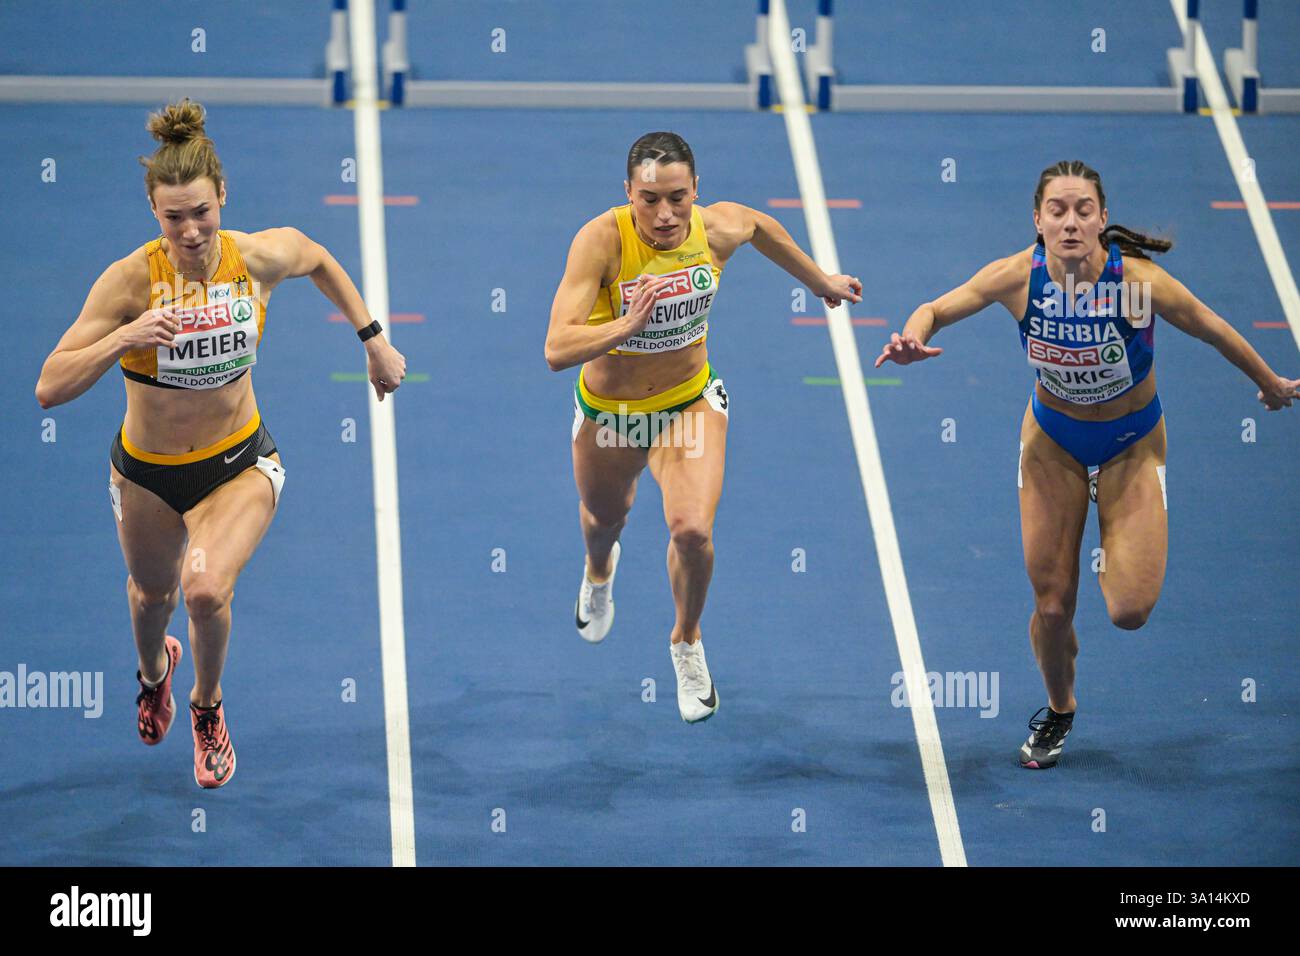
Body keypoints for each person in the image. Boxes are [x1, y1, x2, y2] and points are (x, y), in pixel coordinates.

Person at [876, 159, 1299, 768]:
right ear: (1038, 221)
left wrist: (1271, 383)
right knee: (1052, 604)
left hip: (1130, 445)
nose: (1070, 221)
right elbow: (936, 308)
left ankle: (1114, 521)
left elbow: (1211, 328)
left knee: (1129, 611)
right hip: (1053, 444)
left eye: (1082, 210)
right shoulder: (1018, 278)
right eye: (1057, 210)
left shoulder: (1139, 284)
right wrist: (912, 337)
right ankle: (1060, 709)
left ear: (1102, 218)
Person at [34, 99, 407, 788]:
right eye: (175, 217)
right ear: (153, 209)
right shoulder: (130, 282)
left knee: (203, 590)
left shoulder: (256, 257)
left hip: (238, 465)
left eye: (202, 212)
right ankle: (155, 674)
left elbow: (318, 256)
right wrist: (125, 336)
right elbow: (49, 387)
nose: (193, 230)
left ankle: (207, 705)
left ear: (222, 198)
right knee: (152, 599)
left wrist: (372, 338)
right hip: (145, 476)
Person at [545, 131, 862, 723]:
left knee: (692, 531)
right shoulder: (599, 242)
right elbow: (556, 348)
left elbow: (762, 227)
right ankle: (598, 570)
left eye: (678, 198)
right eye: (649, 200)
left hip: (687, 406)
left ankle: (686, 641)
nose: (664, 214)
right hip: (611, 416)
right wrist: (623, 326)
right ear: (628, 193)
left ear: (696, 191)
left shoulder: (715, 229)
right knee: (604, 520)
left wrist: (819, 281)